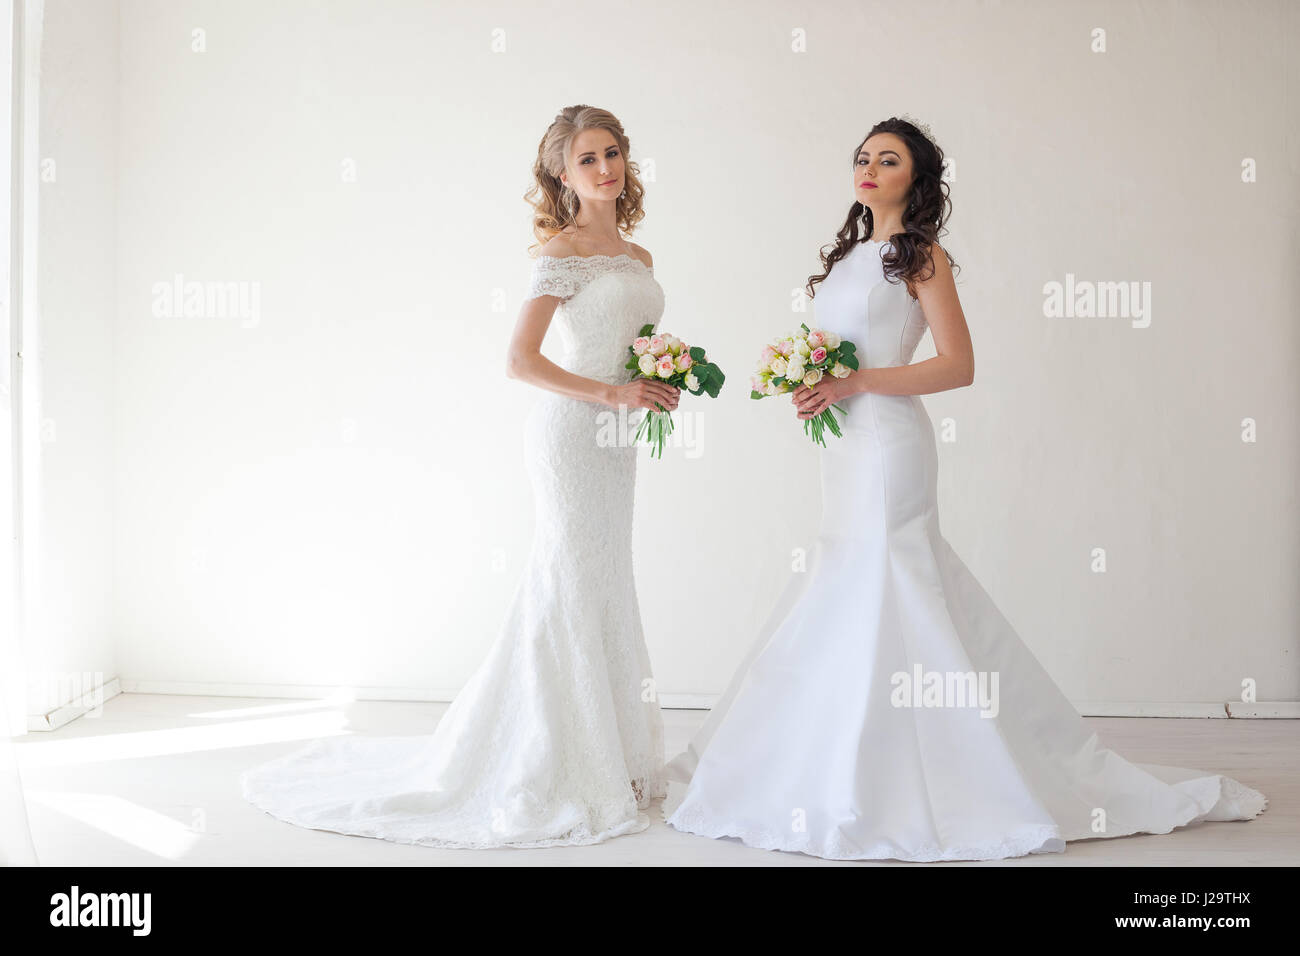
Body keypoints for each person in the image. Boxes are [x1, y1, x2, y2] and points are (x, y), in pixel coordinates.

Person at [664, 116, 1268, 862]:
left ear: (915, 179)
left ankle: (943, 770)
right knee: (847, 578)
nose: (869, 168)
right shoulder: (849, 256)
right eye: (862, 157)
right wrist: (816, 380)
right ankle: (840, 760)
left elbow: (957, 364)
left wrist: (854, 380)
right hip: (846, 445)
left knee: (896, 580)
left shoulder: (922, 258)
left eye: (888, 159)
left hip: (890, 445)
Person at [241, 105, 676, 848]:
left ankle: (620, 757)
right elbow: (521, 361)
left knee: (606, 579)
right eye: (587, 160)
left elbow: (630, 343)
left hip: (618, 440)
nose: (605, 169)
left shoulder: (638, 259)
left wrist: (660, 372)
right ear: (562, 175)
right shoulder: (558, 253)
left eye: (612, 154)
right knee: (568, 582)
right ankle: (561, 764)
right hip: (573, 435)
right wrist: (609, 392)